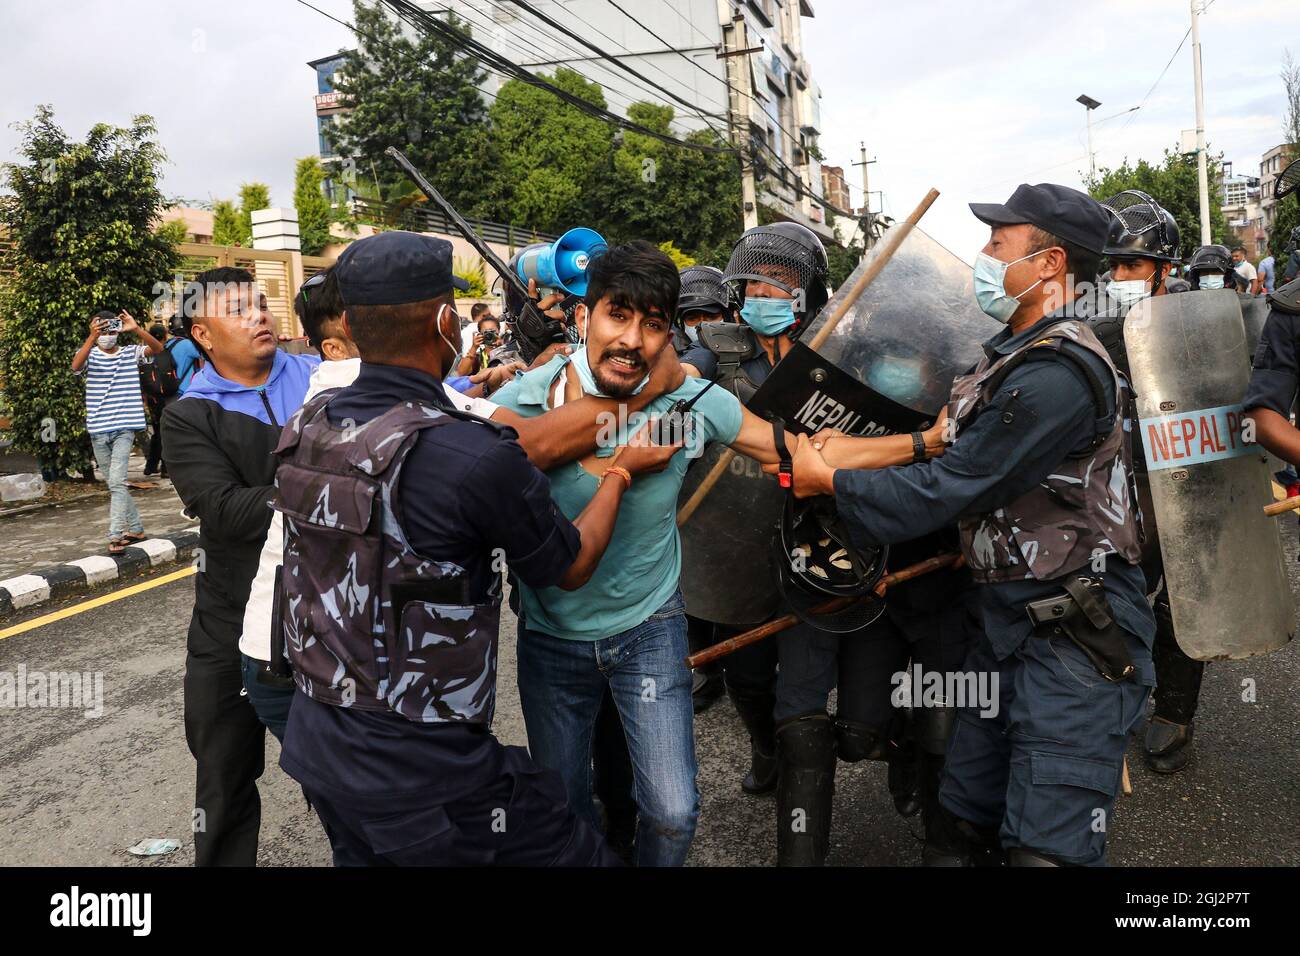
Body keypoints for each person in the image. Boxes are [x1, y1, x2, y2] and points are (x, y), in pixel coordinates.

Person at [492, 240, 939, 866]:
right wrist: (631, 424)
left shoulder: (690, 406)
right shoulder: (526, 398)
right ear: (582, 316)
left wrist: (923, 443)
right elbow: (517, 454)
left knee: (673, 814)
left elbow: (805, 453)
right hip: (550, 639)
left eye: (653, 325)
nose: (633, 339)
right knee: (566, 809)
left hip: (648, 632)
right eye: (617, 315)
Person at [273, 231, 678, 866]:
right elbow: (569, 566)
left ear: (349, 325)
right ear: (444, 322)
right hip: (425, 769)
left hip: (318, 740)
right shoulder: (468, 455)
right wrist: (622, 470)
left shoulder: (309, 424)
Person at [785, 184, 1157, 867]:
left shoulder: (1058, 373)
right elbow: (937, 444)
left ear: (1048, 264)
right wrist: (836, 452)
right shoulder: (1002, 360)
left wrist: (832, 481)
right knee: (957, 829)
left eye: (998, 243)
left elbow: (953, 486)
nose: (984, 256)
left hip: (1074, 638)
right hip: (1002, 630)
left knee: (1044, 853)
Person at [162, 267, 319, 866]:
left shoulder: (318, 377)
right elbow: (223, 510)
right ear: (202, 333)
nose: (260, 316)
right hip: (230, 617)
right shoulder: (189, 415)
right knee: (222, 771)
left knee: (343, 772)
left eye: (261, 304)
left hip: (328, 611)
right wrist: (329, 482)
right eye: (238, 310)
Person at [1087, 191, 1206, 774]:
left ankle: (1175, 710)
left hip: (1185, 483)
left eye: (1131, 265)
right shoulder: (1099, 335)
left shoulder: (1200, 331)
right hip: (1118, 489)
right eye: (1112, 266)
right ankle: (1113, 699)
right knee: (1116, 597)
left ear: (1164, 268)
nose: (1119, 276)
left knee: (1182, 600)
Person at [71, 309, 164, 553]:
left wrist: (136, 329)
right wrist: (91, 338)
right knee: (115, 483)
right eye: (102, 330)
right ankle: (136, 528)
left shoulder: (129, 353)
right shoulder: (89, 354)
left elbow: (158, 350)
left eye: (112, 330)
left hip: (125, 427)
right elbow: (75, 366)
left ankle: (115, 535)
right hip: (98, 429)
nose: (108, 335)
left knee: (117, 482)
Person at [455, 312, 504, 377]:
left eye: (492, 331)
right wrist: (474, 347)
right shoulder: (478, 356)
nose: (489, 335)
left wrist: (501, 348)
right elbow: (460, 374)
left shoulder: (506, 350)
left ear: (499, 331)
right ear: (480, 334)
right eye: (485, 332)